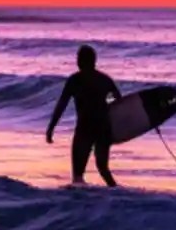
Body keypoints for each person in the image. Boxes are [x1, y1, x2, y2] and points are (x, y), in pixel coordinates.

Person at [46, 44, 122, 187]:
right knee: (103, 168)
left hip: (85, 129)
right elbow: (117, 101)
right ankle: (116, 194)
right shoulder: (104, 80)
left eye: (78, 58)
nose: (77, 61)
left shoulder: (75, 80)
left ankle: (81, 204)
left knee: (78, 175)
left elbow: (62, 104)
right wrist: (105, 102)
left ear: (82, 61)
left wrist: (51, 128)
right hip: (103, 128)